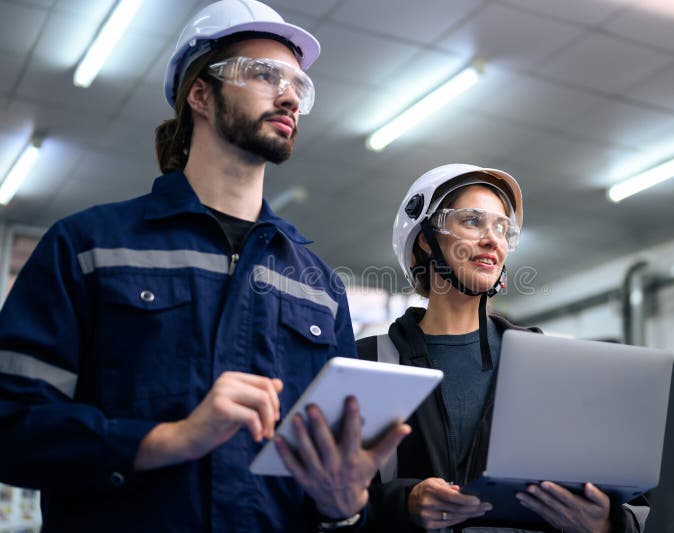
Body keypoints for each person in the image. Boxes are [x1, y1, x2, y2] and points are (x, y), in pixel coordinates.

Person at [0, 1, 407, 530]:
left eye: (297, 86)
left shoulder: (318, 287)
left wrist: (345, 506)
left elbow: (335, 468)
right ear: (200, 94)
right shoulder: (88, 247)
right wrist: (171, 439)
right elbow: (12, 424)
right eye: (264, 75)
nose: (288, 95)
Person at [357, 164, 650, 532]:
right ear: (426, 239)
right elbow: (322, 500)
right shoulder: (369, 361)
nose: (492, 239)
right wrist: (405, 503)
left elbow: (635, 502)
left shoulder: (551, 366)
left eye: (501, 228)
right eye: (473, 221)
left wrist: (607, 524)